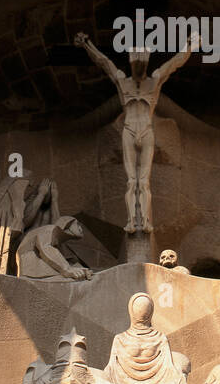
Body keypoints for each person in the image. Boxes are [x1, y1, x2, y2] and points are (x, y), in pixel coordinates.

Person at [74, 32, 196, 233]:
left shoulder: (154, 80)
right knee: (132, 181)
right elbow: (103, 62)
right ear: (131, 63)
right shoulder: (123, 81)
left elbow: (175, 63)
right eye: (135, 62)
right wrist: (87, 44)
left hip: (147, 131)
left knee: (143, 182)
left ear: (146, 63)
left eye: (142, 62)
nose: (138, 66)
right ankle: (132, 221)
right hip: (129, 130)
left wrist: (190, 45)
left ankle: (146, 222)